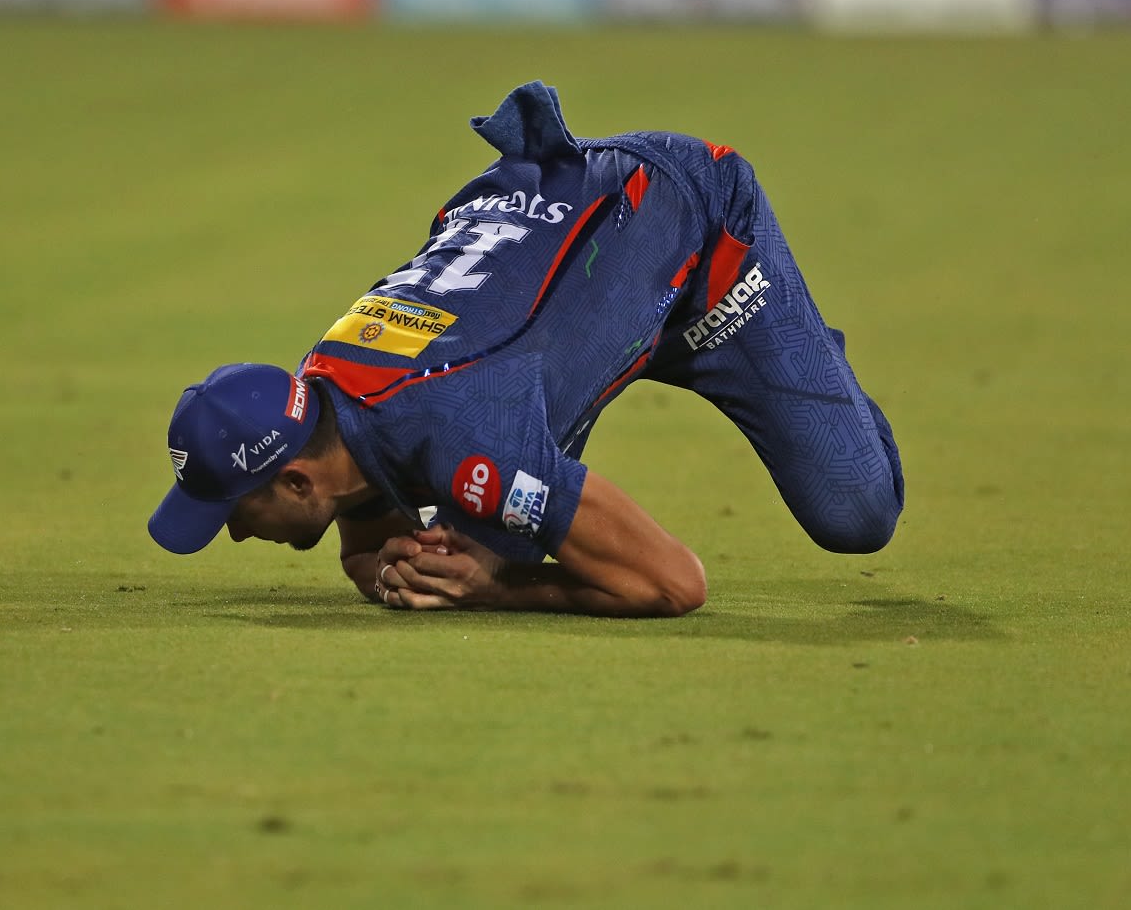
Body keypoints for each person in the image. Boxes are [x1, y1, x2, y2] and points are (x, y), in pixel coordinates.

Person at [147, 81, 904, 617]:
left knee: (857, 513)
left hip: (691, 234)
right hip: (557, 269)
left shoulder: (461, 429)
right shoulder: (329, 396)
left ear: (298, 481)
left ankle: (798, 350)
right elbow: (366, 539)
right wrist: (391, 572)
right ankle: (600, 351)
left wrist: (499, 590)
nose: (234, 531)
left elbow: (676, 583)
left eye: (235, 509)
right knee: (480, 530)